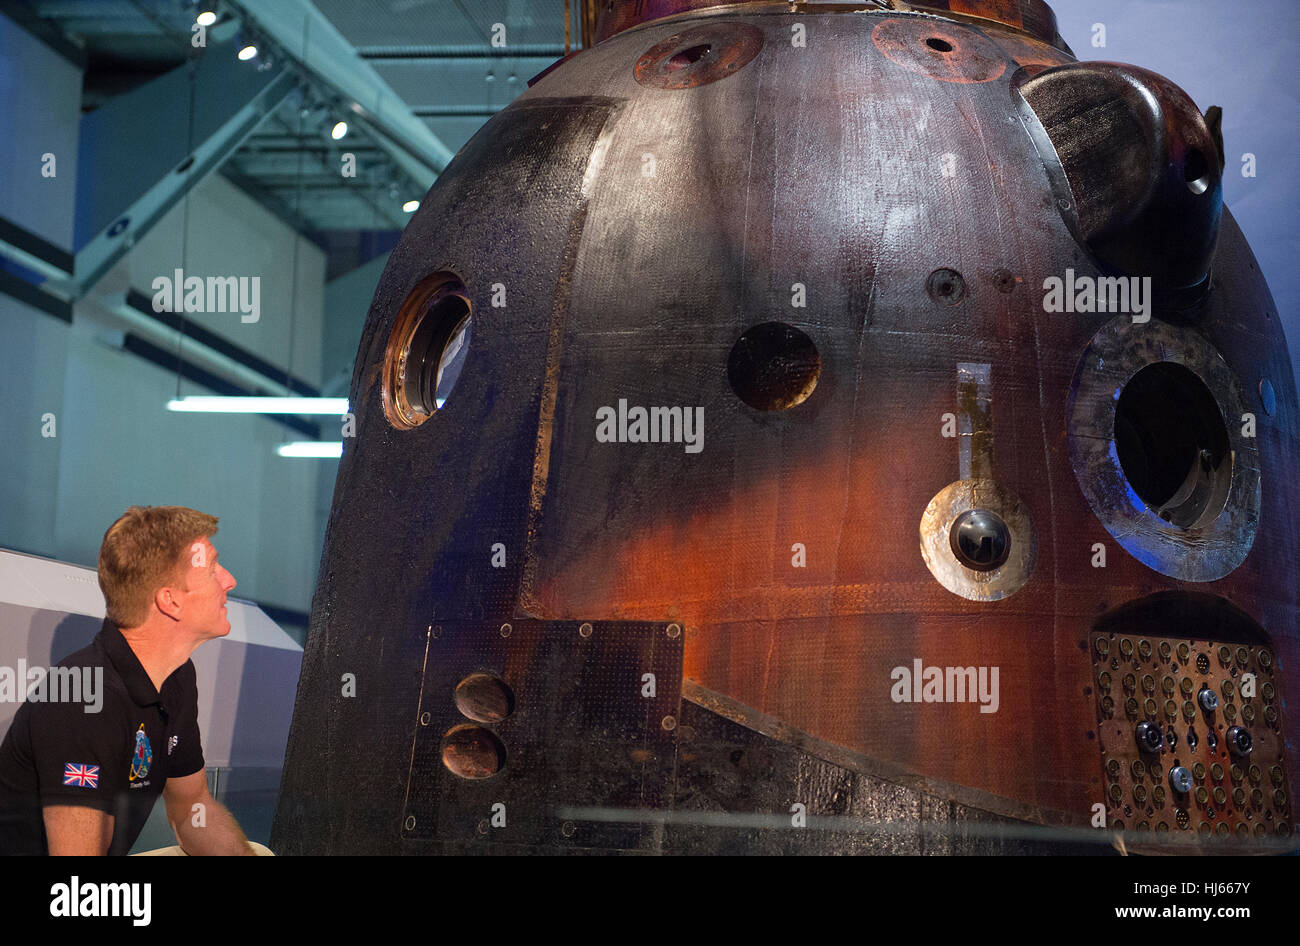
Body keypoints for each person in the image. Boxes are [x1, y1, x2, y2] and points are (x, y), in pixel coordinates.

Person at [0, 505, 260, 855]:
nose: (229, 580)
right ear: (170, 601)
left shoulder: (177, 676)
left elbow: (191, 808)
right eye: (212, 568)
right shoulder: (80, 702)